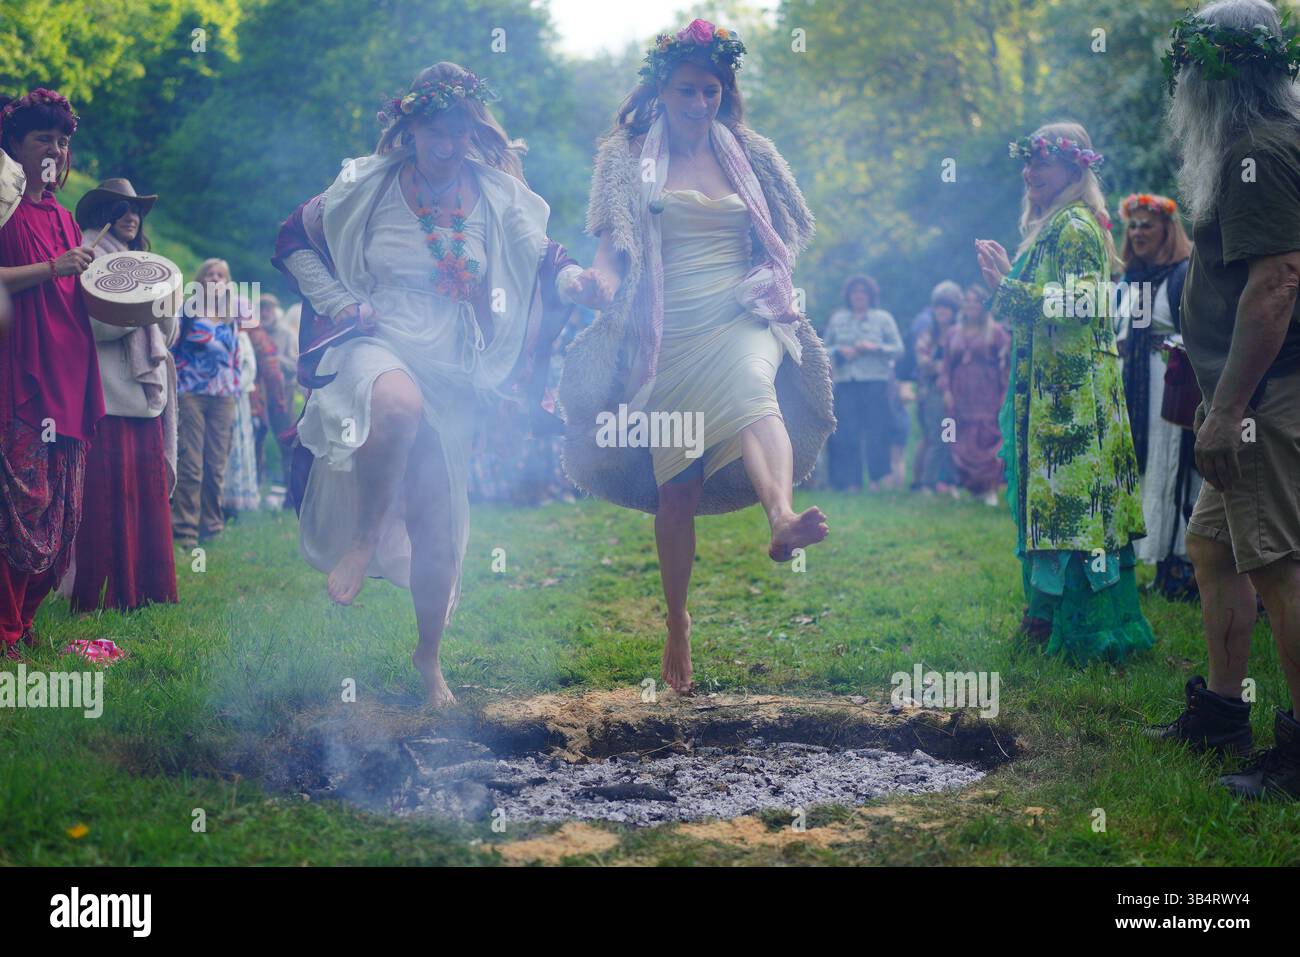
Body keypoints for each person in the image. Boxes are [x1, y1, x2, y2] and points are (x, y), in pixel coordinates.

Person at [273, 62, 579, 706]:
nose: (448, 146)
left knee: (438, 523)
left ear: (475, 134)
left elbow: (541, 254)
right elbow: (292, 238)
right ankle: (361, 540)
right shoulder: (368, 186)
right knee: (395, 405)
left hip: (454, 359)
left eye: (461, 133)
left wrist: (578, 281)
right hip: (378, 337)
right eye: (435, 132)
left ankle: (428, 659)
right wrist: (342, 301)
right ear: (409, 131)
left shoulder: (493, 195)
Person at [561, 20, 835, 694]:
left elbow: (786, 231)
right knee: (675, 492)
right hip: (665, 334)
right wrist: (597, 279)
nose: (701, 103)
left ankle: (781, 518)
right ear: (662, 88)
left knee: (753, 388)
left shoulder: (747, 152)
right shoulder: (627, 157)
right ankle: (677, 621)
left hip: (741, 313)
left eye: (713, 91)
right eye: (688, 90)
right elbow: (612, 242)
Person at [1145, 0, 1300, 800]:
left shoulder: (1261, 153)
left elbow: (1276, 286)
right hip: (1246, 396)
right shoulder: (1247, 145)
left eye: (1187, 72)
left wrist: (1227, 406)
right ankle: (1221, 712)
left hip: (1267, 396)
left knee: (1278, 562)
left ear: (1216, 76)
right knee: (1214, 546)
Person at [976, 121, 1154, 665]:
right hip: (1054, 393)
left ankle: (1085, 630)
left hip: (1075, 398)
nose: (1030, 172)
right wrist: (1009, 284)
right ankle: (1045, 616)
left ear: (1074, 169)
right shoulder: (1056, 224)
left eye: (1042, 163)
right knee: (1054, 507)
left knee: (1076, 510)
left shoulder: (1076, 225)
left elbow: (1081, 305)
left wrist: (1007, 285)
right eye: (1026, 161)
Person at [0, 89, 104, 657]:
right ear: (15, 145)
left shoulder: (66, 218)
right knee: (21, 503)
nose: (56, 149)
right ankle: (4, 629)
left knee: (62, 511)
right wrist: (51, 267)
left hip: (69, 375)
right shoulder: (3, 203)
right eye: (44, 137)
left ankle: (25, 620)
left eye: (63, 141)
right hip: (19, 370)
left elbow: (77, 291)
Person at [63, 177, 178, 611]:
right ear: (102, 213)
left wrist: (160, 310)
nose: (132, 216)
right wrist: (140, 311)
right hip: (108, 395)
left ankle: (148, 589)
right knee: (108, 494)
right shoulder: (88, 255)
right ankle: (105, 592)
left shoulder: (141, 260)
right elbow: (90, 324)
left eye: (137, 210)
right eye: (122, 208)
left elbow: (168, 328)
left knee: (143, 494)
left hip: (144, 396)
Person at [1113, 192, 1198, 599]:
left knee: (1172, 472)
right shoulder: (1131, 280)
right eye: (1133, 225)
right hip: (1134, 392)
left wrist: (1168, 346)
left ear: (1167, 227)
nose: (1138, 231)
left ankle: (1180, 567)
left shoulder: (1184, 273)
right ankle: (1154, 563)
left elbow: (1202, 331)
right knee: (1145, 473)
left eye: (1147, 224)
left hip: (1171, 388)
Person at [171, 257, 246, 549]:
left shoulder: (231, 316)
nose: (215, 279)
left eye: (221, 276)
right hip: (191, 393)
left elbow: (235, 354)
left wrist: (237, 386)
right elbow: (170, 347)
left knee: (216, 464)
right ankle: (185, 530)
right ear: (200, 281)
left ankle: (212, 527)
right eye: (210, 275)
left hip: (224, 396)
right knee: (191, 463)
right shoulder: (186, 311)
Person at [823, 275, 903, 491]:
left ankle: (879, 480)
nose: (859, 296)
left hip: (875, 381)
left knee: (877, 431)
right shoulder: (838, 319)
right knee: (847, 432)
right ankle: (851, 482)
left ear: (871, 295)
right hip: (846, 382)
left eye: (863, 292)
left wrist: (874, 347)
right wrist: (839, 351)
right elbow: (823, 348)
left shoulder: (883, 319)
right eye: (855, 292)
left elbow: (898, 348)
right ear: (849, 296)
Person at [941, 284, 1009, 504]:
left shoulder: (996, 332)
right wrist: (947, 391)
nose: (970, 304)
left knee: (988, 438)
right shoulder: (953, 332)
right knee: (959, 437)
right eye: (967, 300)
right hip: (961, 393)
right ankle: (971, 487)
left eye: (975, 300)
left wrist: (1004, 394)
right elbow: (946, 366)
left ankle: (989, 488)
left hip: (986, 393)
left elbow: (1004, 366)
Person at [913, 280, 963, 495]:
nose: (943, 312)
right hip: (933, 393)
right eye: (939, 307)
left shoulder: (960, 333)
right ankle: (927, 483)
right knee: (936, 438)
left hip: (958, 392)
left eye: (947, 307)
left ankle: (951, 482)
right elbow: (924, 364)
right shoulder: (927, 335)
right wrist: (946, 366)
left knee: (951, 437)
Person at [222, 325, 261, 514]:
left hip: (237, 399)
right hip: (218, 395)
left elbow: (249, 367)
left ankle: (237, 499)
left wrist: (234, 386)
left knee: (238, 443)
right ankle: (219, 498)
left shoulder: (241, 337)